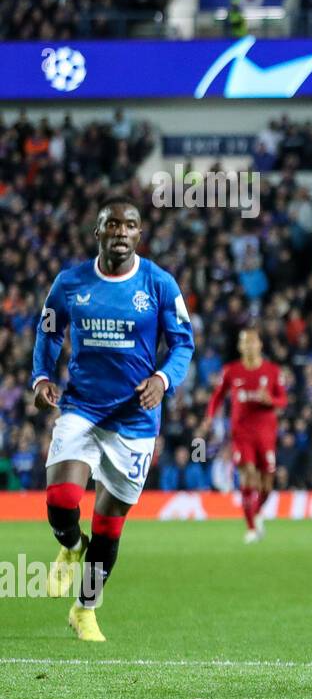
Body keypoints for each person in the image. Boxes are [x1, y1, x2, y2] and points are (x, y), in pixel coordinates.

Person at [32, 197, 195, 641]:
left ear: (139, 234)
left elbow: (183, 343)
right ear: (97, 232)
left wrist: (163, 379)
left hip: (135, 421)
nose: (121, 232)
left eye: (130, 225)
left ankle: (84, 609)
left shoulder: (159, 284)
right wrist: (42, 376)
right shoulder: (70, 283)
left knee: (108, 525)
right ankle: (69, 545)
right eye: (112, 224)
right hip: (82, 407)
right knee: (63, 499)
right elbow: (48, 331)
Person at [198, 327, 286, 542]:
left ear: (260, 344)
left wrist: (270, 401)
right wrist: (209, 417)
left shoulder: (272, 371)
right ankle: (250, 529)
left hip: (266, 433)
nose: (249, 345)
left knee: (267, 483)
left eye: (252, 341)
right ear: (240, 346)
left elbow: (283, 400)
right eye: (244, 342)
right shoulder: (231, 371)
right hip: (241, 433)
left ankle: (256, 513)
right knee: (247, 474)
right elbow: (217, 396)